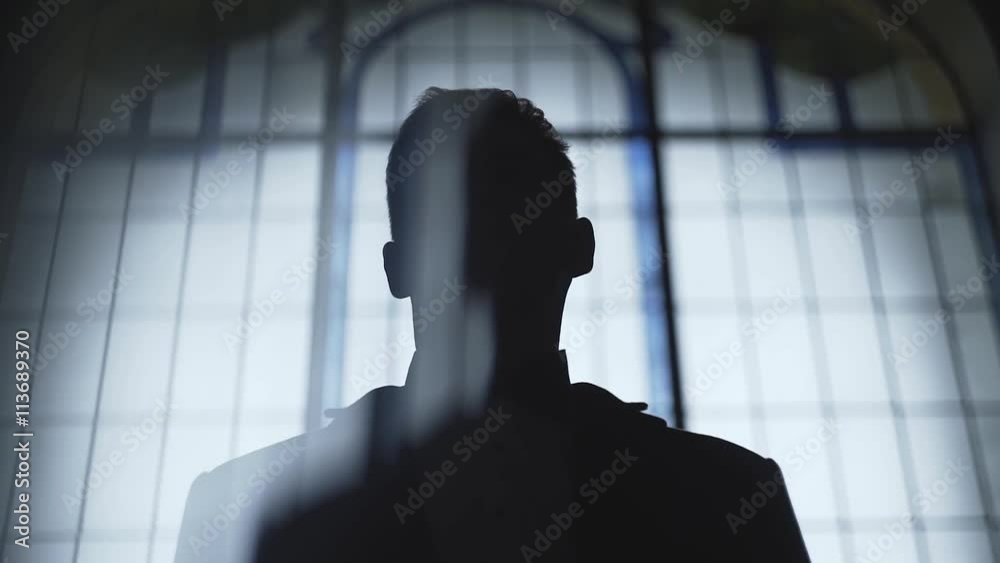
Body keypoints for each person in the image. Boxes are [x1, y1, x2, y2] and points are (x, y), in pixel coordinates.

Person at [175, 88, 811, 563]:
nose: (488, 253)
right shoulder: (727, 493)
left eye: (511, 220)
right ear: (581, 249)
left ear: (395, 269)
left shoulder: (239, 510)